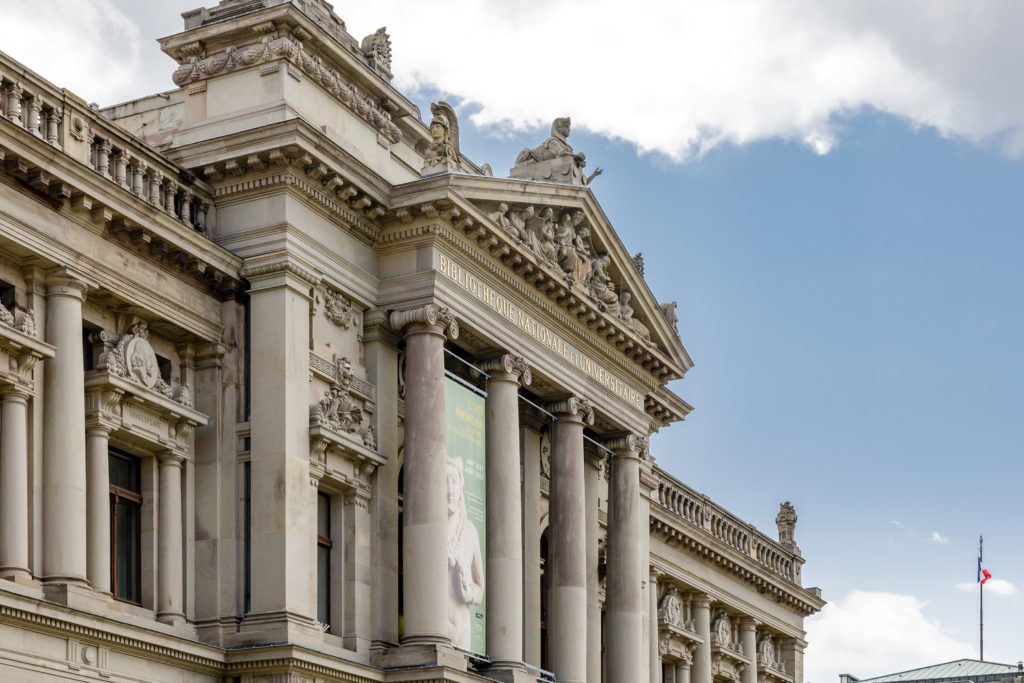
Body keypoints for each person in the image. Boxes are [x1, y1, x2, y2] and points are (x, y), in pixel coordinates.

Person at [447, 456, 484, 650]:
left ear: (461, 487)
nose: (449, 490)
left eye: (453, 482)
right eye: (443, 482)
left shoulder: (470, 531)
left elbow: (480, 589)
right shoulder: (429, 528)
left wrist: (468, 589)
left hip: (462, 627)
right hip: (434, 625)